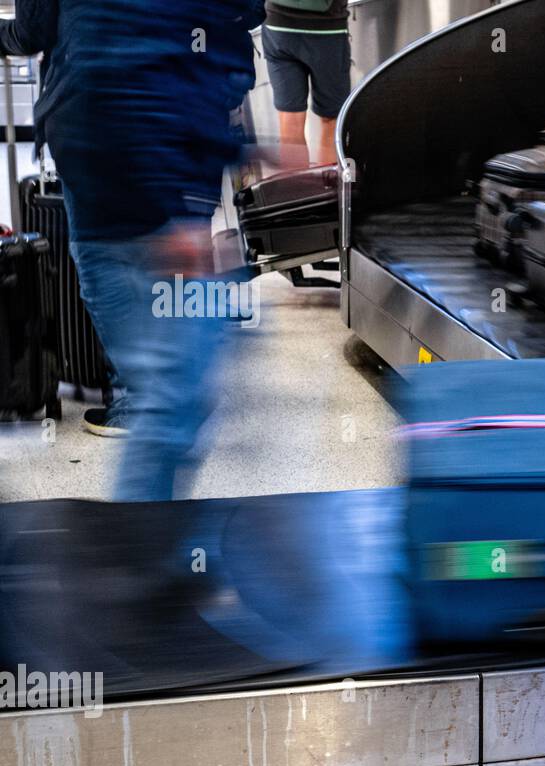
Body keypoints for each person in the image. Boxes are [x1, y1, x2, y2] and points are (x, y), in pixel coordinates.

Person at [3, 0, 265, 500]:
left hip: (115, 137)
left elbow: (38, 27)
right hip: (148, 140)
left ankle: (145, 388)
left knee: (173, 383)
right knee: (175, 388)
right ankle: (143, 545)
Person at [262, 0, 352, 167]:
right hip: (326, 28)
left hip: (277, 26)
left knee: (290, 119)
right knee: (331, 119)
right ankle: (328, 190)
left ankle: (297, 190)